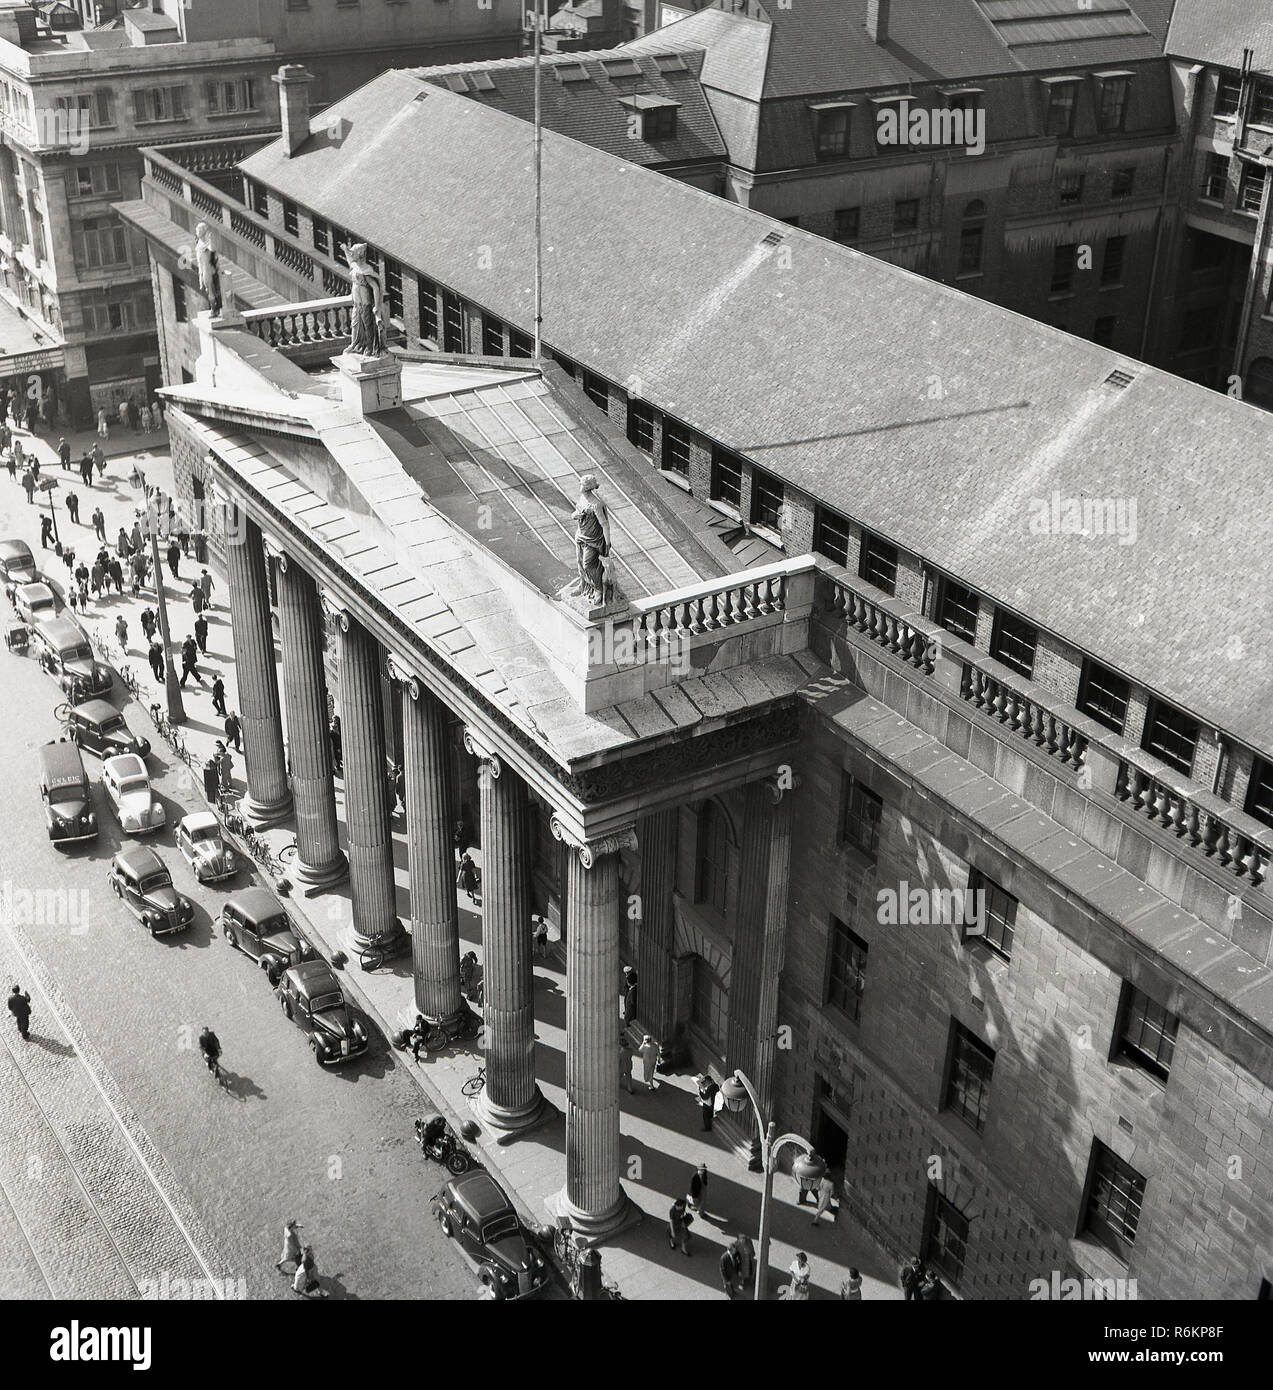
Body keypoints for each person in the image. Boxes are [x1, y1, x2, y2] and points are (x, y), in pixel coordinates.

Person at [570, 473, 612, 603]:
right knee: (579, 562)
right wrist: (576, 515)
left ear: (587, 487)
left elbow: (604, 524)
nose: (580, 486)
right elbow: (574, 514)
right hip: (581, 535)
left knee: (588, 565)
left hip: (593, 540)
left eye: (582, 484)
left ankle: (598, 589)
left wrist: (608, 541)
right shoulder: (582, 498)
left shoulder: (596, 504)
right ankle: (584, 584)